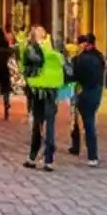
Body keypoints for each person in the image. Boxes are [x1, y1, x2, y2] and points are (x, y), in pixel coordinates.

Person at [22, 26, 64, 171]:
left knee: (38, 125)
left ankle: (34, 158)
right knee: (49, 126)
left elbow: (30, 65)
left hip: (39, 91)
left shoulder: (32, 49)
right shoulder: (54, 49)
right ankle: (47, 160)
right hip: (52, 91)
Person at [67, 34, 106, 166]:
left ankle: (88, 153)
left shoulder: (80, 59)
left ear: (85, 44)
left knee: (84, 122)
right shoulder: (100, 57)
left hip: (83, 92)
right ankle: (91, 154)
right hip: (96, 93)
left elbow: (73, 75)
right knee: (90, 122)